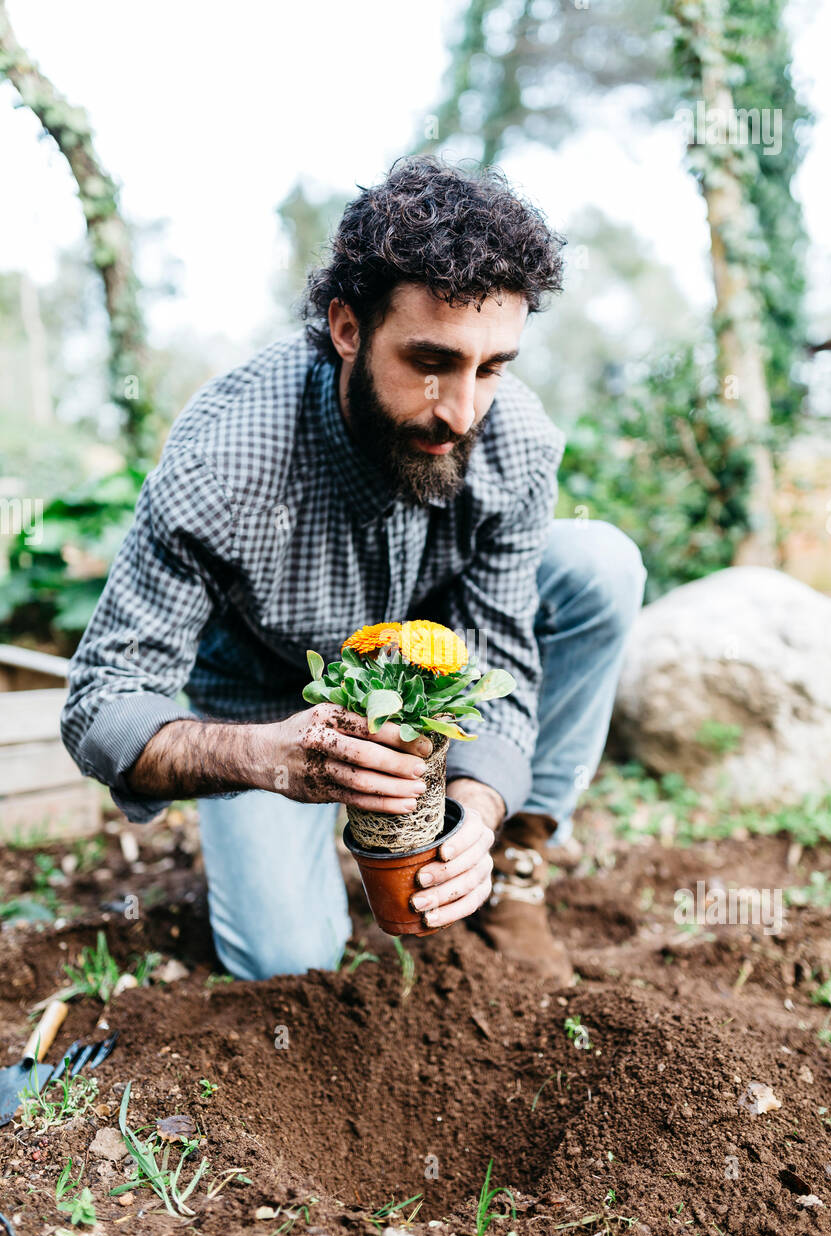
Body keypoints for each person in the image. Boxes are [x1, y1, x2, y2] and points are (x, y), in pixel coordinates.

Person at [61, 156, 645, 987]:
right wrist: (268, 757)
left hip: (439, 666)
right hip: (268, 700)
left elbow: (505, 661)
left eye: (492, 367)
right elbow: (101, 705)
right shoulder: (226, 461)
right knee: (287, 960)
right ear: (346, 328)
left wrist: (480, 806)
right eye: (432, 360)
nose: (462, 411)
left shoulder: (512, 440)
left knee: (599, 563)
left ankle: (515, 858)